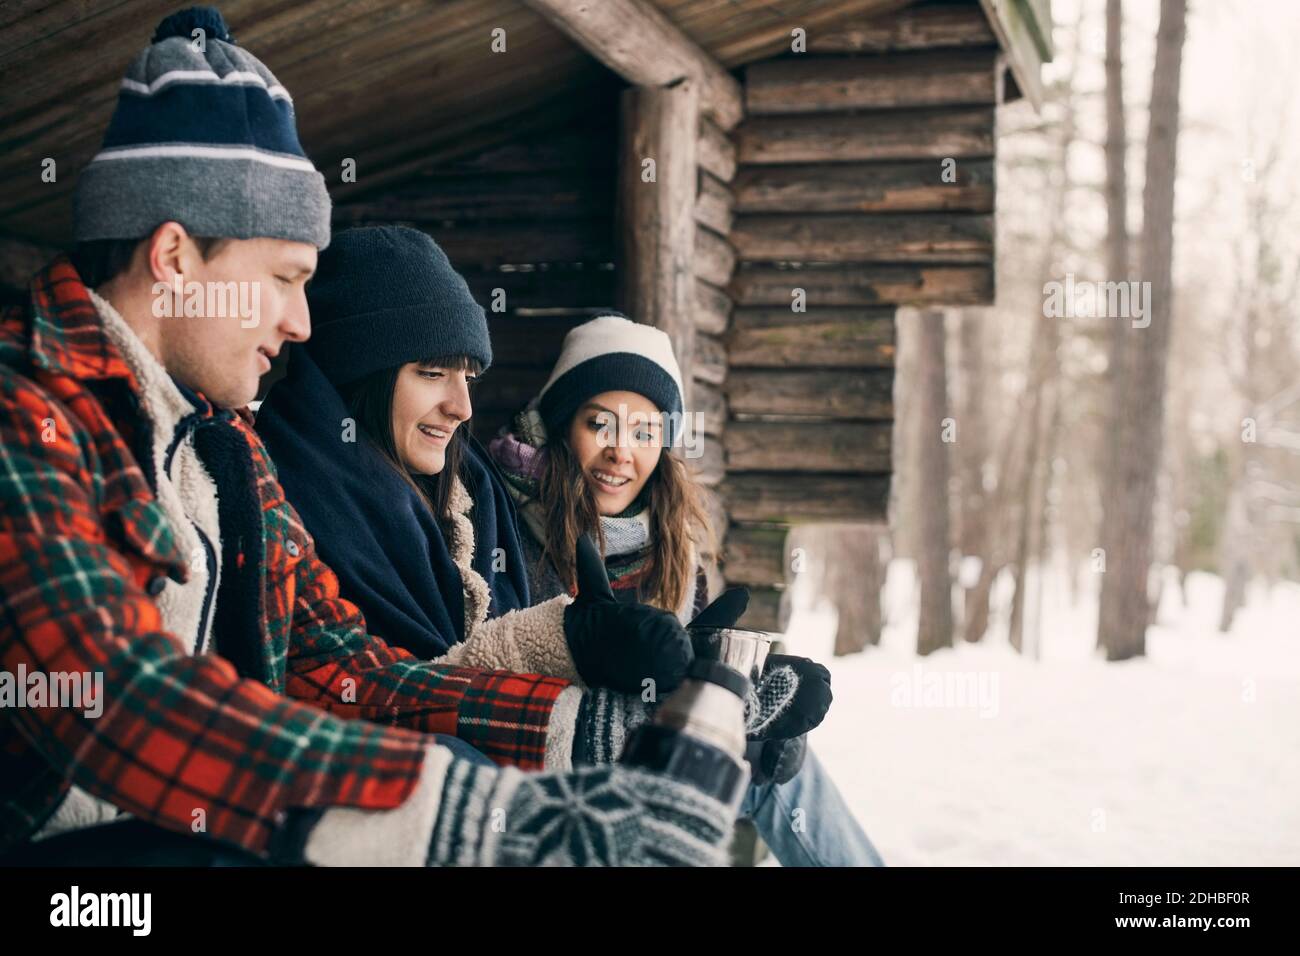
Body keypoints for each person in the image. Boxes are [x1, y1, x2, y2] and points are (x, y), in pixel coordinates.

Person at [0, 6, 737, 868]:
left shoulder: (224, 449)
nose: (304, 323)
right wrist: (471, 821)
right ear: (174, 258)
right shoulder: (26, 417)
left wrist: (610, 726)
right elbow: (113, 699)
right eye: (283, 278)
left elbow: (347, 674)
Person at [488, 314, 887, 866]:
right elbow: (483, 671)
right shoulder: (500, 516)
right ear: (560, 425)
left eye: (644, 432)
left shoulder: (672, 547)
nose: (620, 451)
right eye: (600, 423)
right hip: (542, 771)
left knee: (779, 764)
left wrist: (738, 704)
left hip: (649, 766)